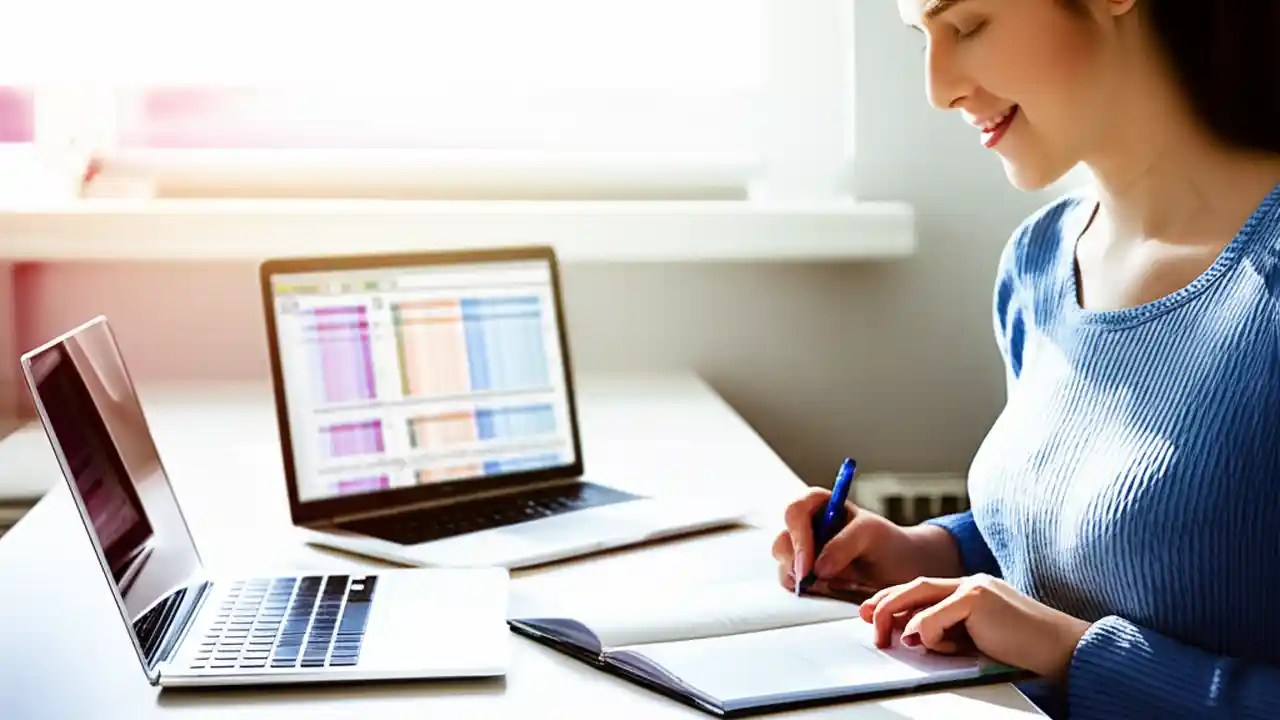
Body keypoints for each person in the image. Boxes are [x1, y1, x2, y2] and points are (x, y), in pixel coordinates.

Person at [772, 1, 1280, 717]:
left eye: (968, 25)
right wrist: (927, 551)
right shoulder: (1037, 264)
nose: (937, 86)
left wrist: (1078, 657)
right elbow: (1090, 530)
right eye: (920, 38)